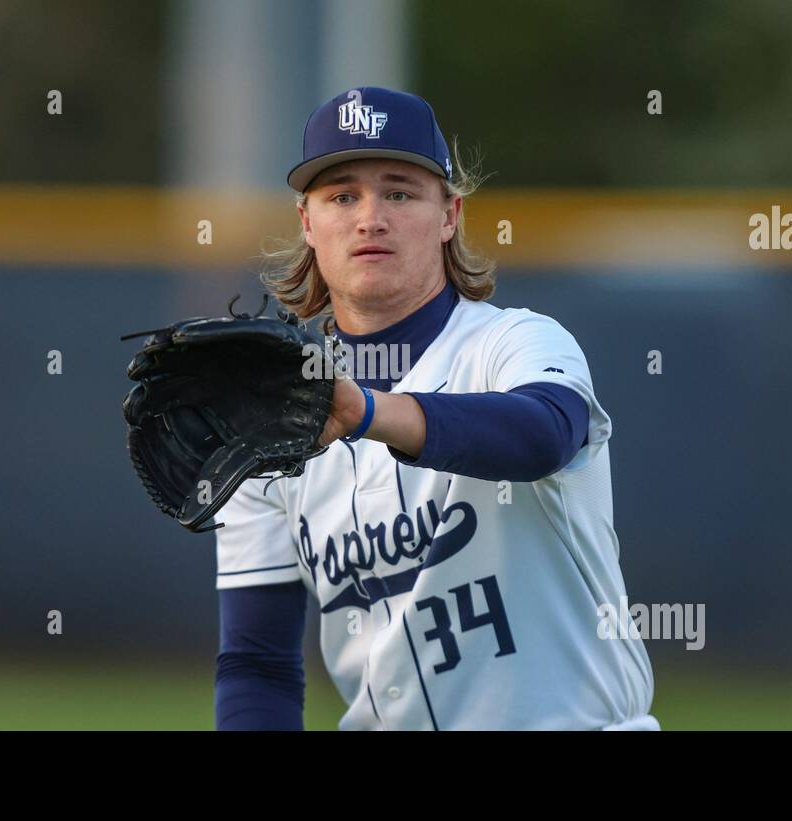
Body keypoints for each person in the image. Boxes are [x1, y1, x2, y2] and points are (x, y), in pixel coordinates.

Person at [213, 86, 656, 730]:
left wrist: (366, 412)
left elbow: (542, 435)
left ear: (449, 214)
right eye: (342, 195)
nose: (370, 217)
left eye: (399, 192)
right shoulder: (269, 423)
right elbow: (257, 661)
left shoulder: (517, 343)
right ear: (307, 223)